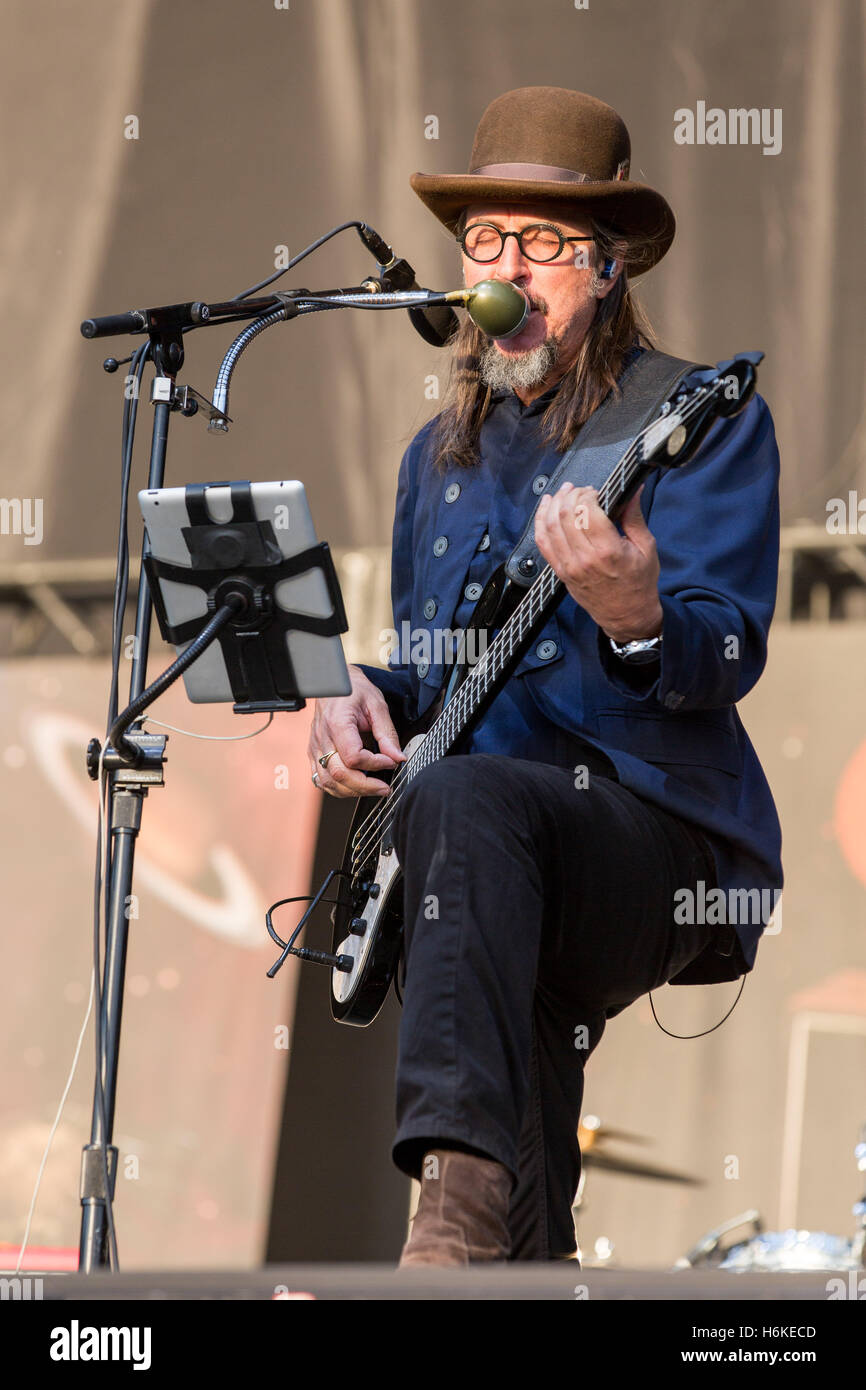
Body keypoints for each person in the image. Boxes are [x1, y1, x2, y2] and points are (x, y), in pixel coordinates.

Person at [306, 87, 783, 1266]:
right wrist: (361, 696)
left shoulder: (691, 416)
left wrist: (635, 614)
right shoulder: (439, 454)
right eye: (483, 242)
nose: (503, 267)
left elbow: (724, 649)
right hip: (485, 852)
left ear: (606, 266)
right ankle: (515, 1270)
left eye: (540, 244)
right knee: (463, 838)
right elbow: (433, 679)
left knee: (462, 804)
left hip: (655, 843)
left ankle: (446, 1229)